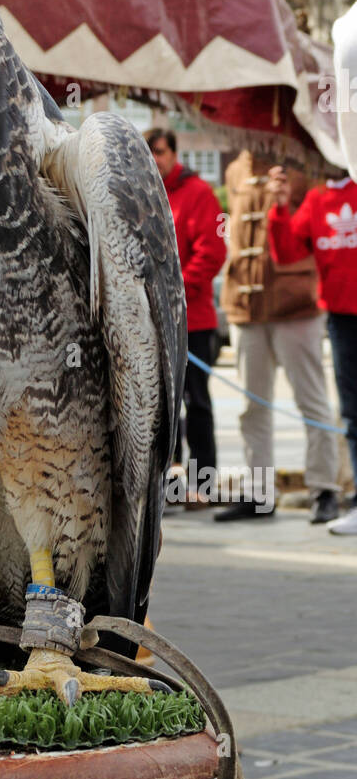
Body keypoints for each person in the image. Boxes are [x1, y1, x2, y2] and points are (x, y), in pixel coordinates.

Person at [221, 151, 340, 523]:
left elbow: (318, 231)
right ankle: (260, 494)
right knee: (252, 407)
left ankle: (325, 489)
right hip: (247, 302)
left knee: (312, 402)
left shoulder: (308, 163)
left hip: (296, 303)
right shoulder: (235, 168)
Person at [267, 165, 357, 534]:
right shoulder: (319, 198)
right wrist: (280, 208)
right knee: (352, 413)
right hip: (340, 317)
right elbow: (286, 254)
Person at [145, 129, 226, 490]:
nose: (154, 159)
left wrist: (173, 293)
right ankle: (169, 485)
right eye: (149, 153)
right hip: (153, 322)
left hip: (193, 320)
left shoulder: (199, 193)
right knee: (162, 408)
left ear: (174, 153)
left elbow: (212, 253)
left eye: (159, 152)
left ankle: (203, 483)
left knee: (197, 405)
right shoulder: (143, 194)